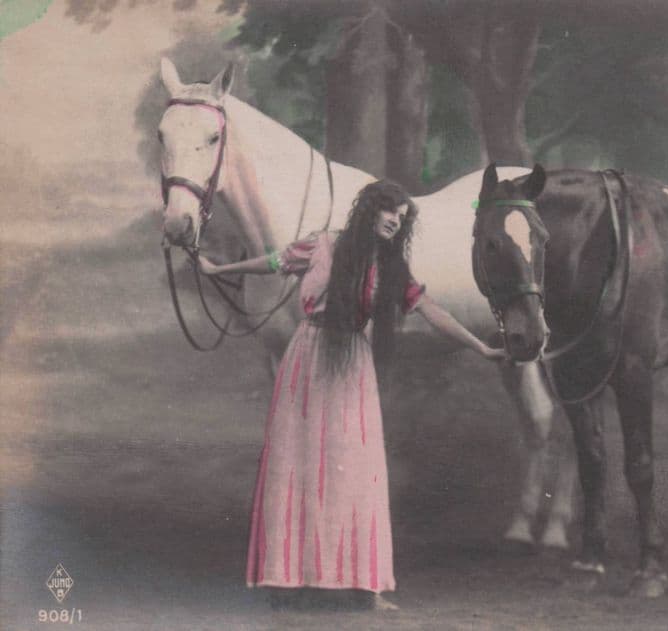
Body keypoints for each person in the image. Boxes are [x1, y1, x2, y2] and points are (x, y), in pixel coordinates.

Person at [199, 180, 503, 611]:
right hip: (307, 357)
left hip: (352, 366)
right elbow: (273, 261)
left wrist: (482, 346)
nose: (396, 220)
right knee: (296, 465)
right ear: (369, 211)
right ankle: (286, 578)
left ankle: (366, 587)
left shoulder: (393, 268)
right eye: (389, 211)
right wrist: (218, 272)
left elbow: (433, 311)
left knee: (357, 471)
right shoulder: (322, 246)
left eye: (403, 215)